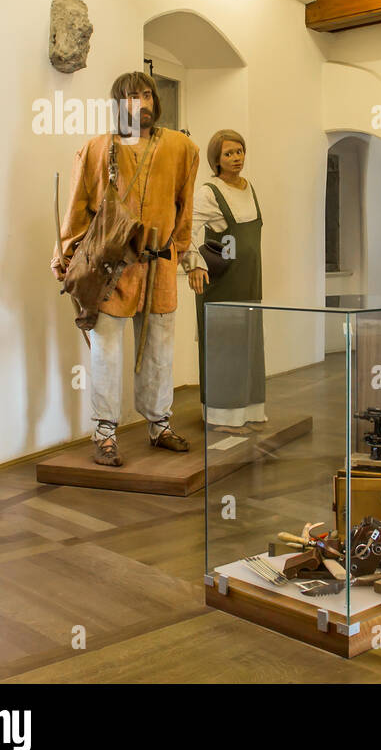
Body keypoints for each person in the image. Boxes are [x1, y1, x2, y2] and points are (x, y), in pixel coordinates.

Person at [52, 72, 198, 466]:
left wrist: (181, 251)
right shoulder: (96, 148)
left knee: (159, 351)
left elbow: (185, 206)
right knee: (106, 351)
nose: (142, 102)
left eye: (147, 94)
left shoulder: (182, 148)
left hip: (160, 264)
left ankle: (159, 424)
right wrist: (65, 255)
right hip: (110, 269)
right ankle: (104, 433)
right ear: (119, 104)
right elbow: (78, 205)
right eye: (132, 96)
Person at [188, 129, 266, 433]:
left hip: (250, 281)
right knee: (224, 346)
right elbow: (187, 230)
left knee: (248, 345)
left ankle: (250, 411)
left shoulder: (249, 187)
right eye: (228, 154)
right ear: (216, 159)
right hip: (222, 284)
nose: (236, 158)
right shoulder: (208, 191)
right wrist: (194, 265)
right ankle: (222, 417)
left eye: (240, 151)